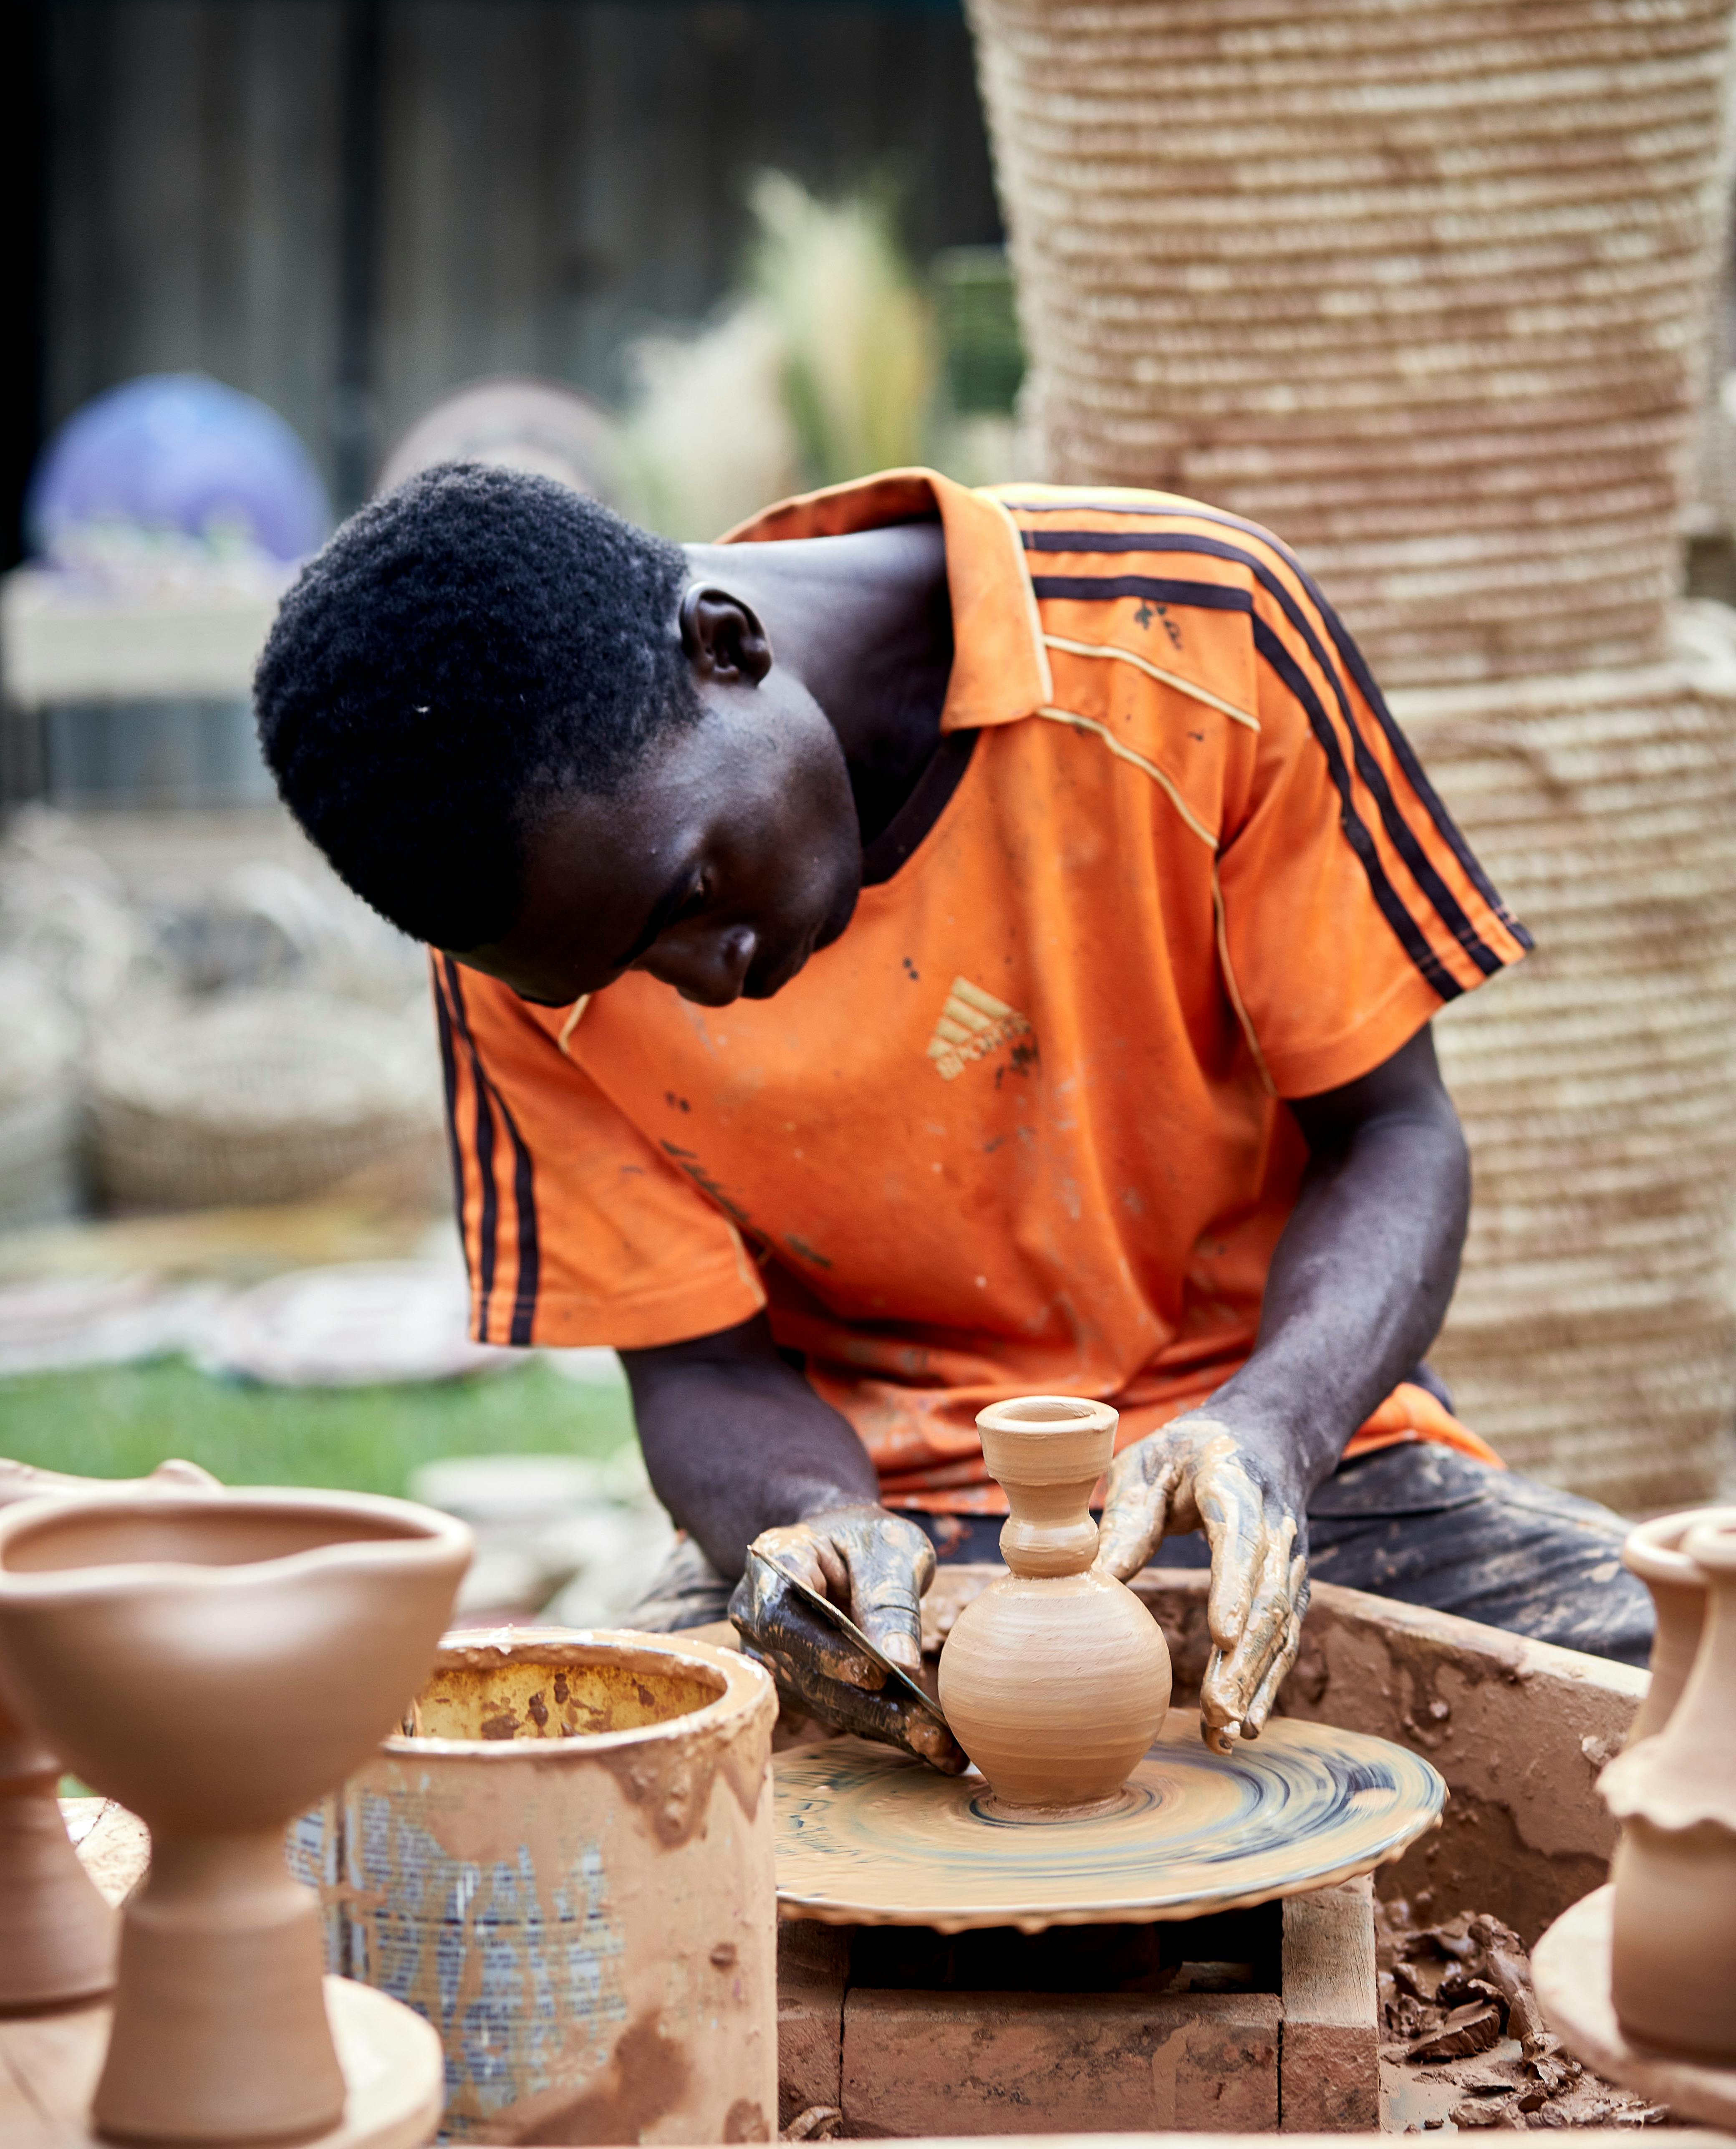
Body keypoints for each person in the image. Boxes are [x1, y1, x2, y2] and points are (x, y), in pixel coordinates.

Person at [255, 462, 1653, 1760]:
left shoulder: (1194, 634)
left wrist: (1272, 1431)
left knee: (1676, 1706)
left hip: (1270, 1454)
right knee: (580, 1822)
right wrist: (814, 1529)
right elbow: (695, 1368)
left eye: (685, 896)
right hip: (875, 1523)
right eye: (629, 967)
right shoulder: (514, 957)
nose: (706, 981)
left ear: (727, 646)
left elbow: (1395, 1134)